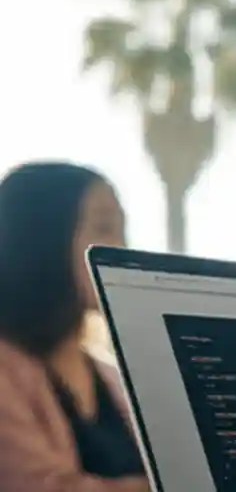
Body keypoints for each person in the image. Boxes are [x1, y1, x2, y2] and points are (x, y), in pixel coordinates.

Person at [0, 162, 148, 492]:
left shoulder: (110, 376)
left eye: (123, 231)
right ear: (41, 238)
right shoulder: (6, 369)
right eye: (105, 228)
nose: (122, 250)